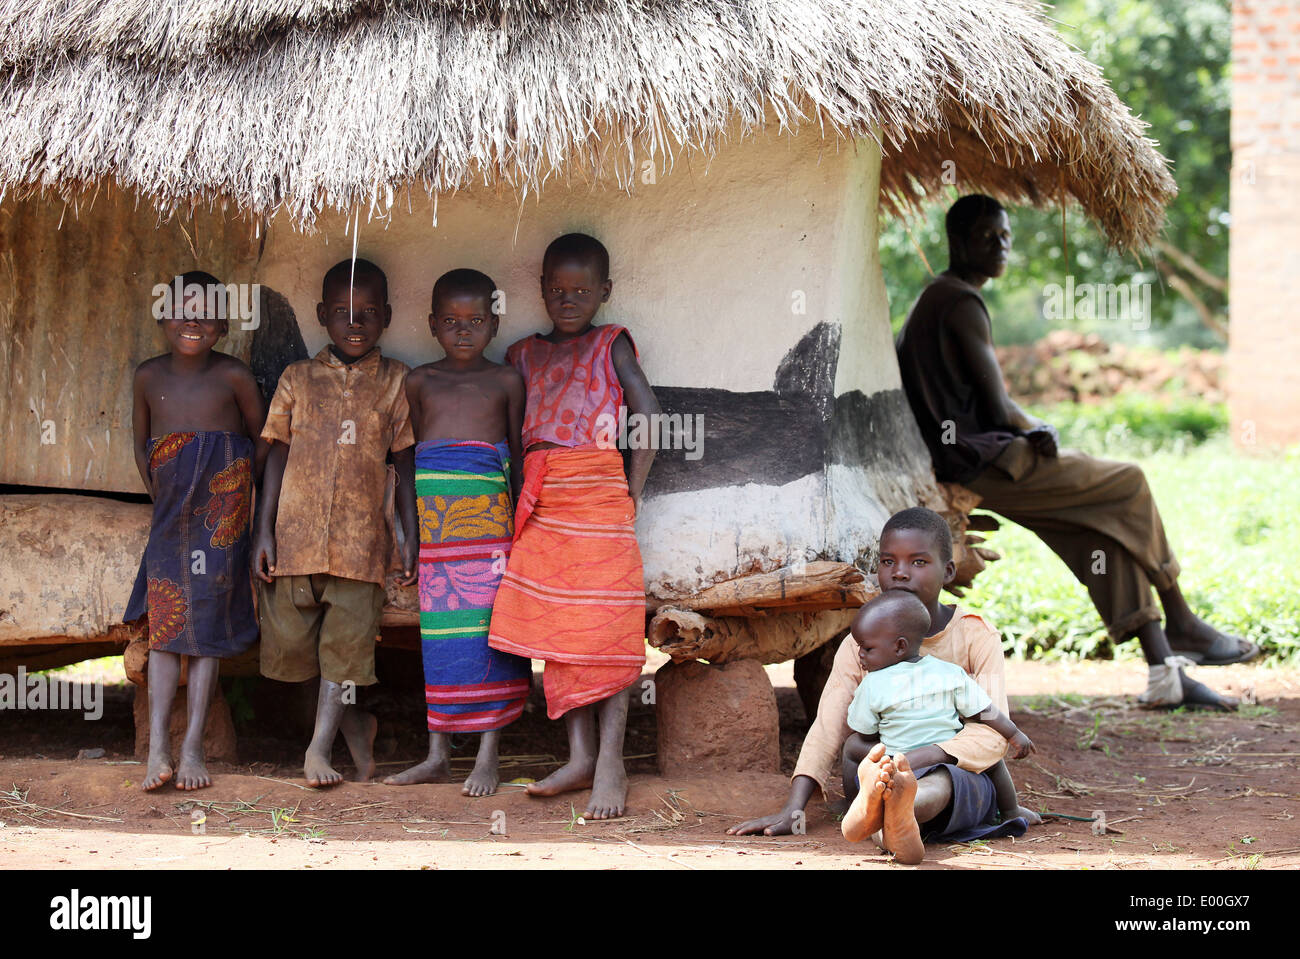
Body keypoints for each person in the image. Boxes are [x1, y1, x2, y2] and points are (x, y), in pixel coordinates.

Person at [894, 194, 1249, 710]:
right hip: (985, 463)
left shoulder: (937, 297)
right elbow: (997, 407)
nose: (1002, 246)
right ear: (958, 240)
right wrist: (1036, 425)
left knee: (1096, 531)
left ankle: (1164, 676)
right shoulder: (959, 300)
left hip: (966, 457)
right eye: (988, 236)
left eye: (1006, 236)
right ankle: (1182, 617)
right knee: (1128, 481)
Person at [729, 507, 1040, 837]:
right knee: (867, 757)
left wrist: (927, 755)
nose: (900, 573)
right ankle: (887, 811)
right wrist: (794, 808)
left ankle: (898, 810)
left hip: (953, 772)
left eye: (918, 562)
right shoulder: (862, 642)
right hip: (880, 768)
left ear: (948, 571)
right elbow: (828, 725)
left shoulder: (976, 636)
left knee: (941, 780)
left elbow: (993, 731)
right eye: (888, 561)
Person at [487, 233, 660, 820]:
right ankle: (580, 755)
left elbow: (649, 416)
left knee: (607, 630)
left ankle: (612, 761)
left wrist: (631, 488)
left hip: (600, 495)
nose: (568, 299)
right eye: (557, 290)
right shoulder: (520, 355)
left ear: (605, 292)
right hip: (541, 501)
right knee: (560, 626)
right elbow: (510, 434)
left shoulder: (611, 345)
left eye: (582, 290)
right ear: (540, 290)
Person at [252, 258, 417, 787]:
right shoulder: (297, 378)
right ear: (322, 313)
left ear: (387, 316)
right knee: (291, 656)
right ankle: (355, 725)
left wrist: (408, 534)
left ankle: (317, 751)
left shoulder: (396, 382)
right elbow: (275, 453)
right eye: (343, 311)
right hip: (295, 540)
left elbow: (405, 465)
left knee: (344, 658)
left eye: (369, 312)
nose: (355, 322)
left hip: (360, 545)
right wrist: (263, 528)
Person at [383, 268, 531, 797]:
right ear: (431, 325)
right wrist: (412, 533)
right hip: (439, 531)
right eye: (450, 321)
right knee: (441, 637)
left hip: (491, 532)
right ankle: (437, 753)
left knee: (491, 636)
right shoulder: (419, 382)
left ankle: (489, 754)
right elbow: (407, 459)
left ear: (494, 325)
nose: (462, 331)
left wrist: (522, 529)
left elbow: (516, 455)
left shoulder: (507, 379)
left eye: (474, 321)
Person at [127, 270, 266, 791]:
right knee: (166, 626)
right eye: (183, 310)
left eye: (207, 314)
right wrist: (163, 492)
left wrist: (236, 492)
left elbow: (265, 438)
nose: (193, 321)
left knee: (203, 630)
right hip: (170, 513)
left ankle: (192, 750)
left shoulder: (233, 376)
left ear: (223, 326)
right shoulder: (148, 376)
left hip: (220, 517)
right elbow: (141, 445)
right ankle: (158, 746)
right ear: (164, 316)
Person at [838, 591, 1035, 862]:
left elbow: (865, 732)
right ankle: (1012, 810)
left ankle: (859, 801)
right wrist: (1014, 733)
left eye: (867, 648)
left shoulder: (872, 685)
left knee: (852, 747)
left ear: (899, 647)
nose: (860, 655)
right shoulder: (950, 673)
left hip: (895, 761)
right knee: (990, 759)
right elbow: (984, 711)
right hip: (948, 758)